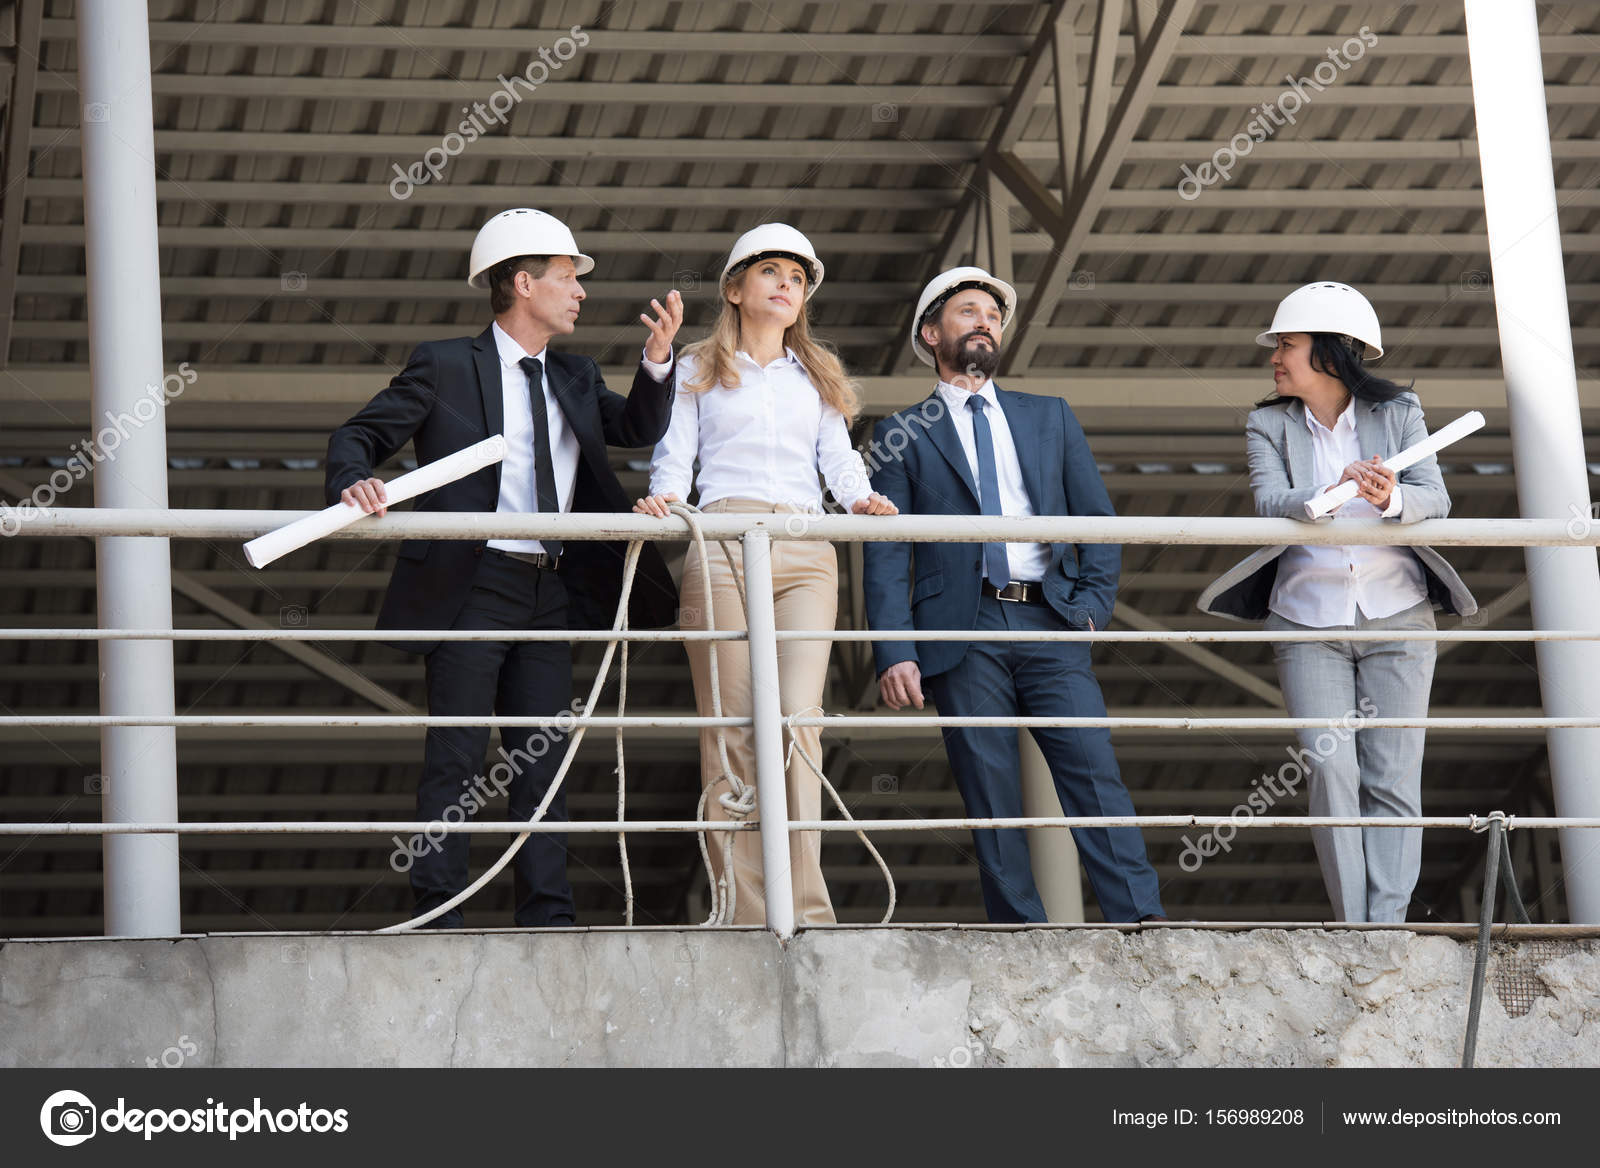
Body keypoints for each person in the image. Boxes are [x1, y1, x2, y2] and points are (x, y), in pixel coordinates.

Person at [325, 208, 684, 928]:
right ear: (523, 283)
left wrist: (657, 361)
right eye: (566, 278)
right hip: (471, 585)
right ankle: (437, 915)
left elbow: (637, 430)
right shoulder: (445, 363)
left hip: (549, 589)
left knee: (541, 764)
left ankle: (547, 916)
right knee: (455, 754)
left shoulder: (578, 375)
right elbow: (359, 433)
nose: (580, 292)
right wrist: (355, 479)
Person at [862, 266, 1165, 924]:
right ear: (931, 333)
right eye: (969, 311)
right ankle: (1021, 936)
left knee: (1094, 776)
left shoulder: (1047, 416)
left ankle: (1142, 923)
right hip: (959, 629)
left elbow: (1097, 522)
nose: (985, 322)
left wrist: (1091, 606)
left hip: (1052, 619)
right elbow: (884, 549)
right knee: (991, 795)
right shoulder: (902, 431)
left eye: (993, 316)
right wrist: (894, 649)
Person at [633, 223, 897, 926]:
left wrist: (862, 497)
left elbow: (839, 462)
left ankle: (806, 910)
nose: (788, 284)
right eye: (772, 271)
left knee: (797, 726)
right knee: (730, 728)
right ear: (735, 287)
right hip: (722, 538)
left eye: (798, 277)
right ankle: (743, 908)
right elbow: (674, 455)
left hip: (806, 547)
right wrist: (663, 496)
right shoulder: (696, 367)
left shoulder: (815, 375)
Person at [1198, 281, 1477, 922]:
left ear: (1327, 352)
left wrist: (1390, 500)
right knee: (1331, 773)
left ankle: (1387, 927)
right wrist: (1330, 491)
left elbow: (1435, 497)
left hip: (1399, 612)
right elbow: (1271, 500)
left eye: (1286, 345)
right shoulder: (1266, 423)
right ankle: (1355, 925)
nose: (1274, 357)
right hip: (1307, 619)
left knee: (1394, 777)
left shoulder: (1400, 410)